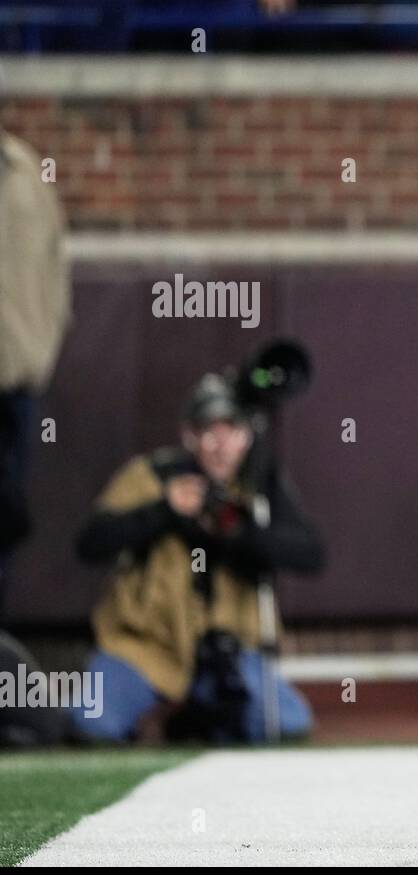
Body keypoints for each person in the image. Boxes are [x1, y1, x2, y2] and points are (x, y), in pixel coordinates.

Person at [72, 373, 323, 742]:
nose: (221, 447)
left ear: (246, 438)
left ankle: (194, 719)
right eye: (209, 433)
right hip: (146, 648)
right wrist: (165, 511)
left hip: (228, 654)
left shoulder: (257, 487)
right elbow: (91, 543)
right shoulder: (153, 476)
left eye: (232, 433)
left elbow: (311, 554)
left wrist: (237, 532)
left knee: (287, 724)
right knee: (91, 724)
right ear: (189, 435)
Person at [0, 122, 72, 615]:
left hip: (15, 384)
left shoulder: (26, 171)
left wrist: (40, 347)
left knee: (4, 526)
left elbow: (55, 269)